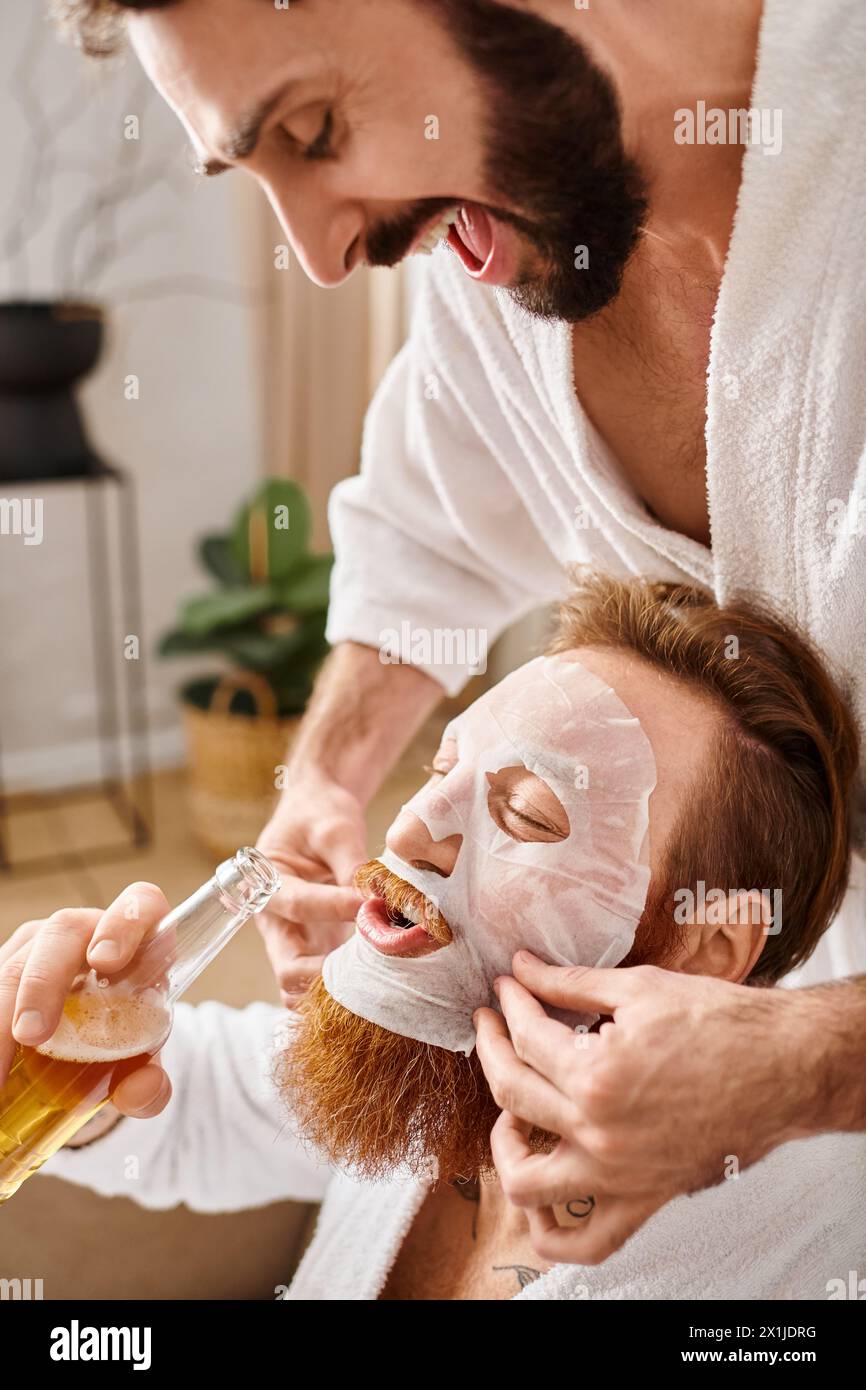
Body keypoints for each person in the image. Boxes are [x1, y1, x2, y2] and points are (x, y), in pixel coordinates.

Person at [50, 0, 866, 1256]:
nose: (320, 256)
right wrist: (324, 776)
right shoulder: (506, 231)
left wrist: (809, 1062)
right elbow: (424, 538)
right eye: (445, 770)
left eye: (317, 130)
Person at [6, 577, 864, 1299]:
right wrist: (69, 1040)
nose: (410, 829)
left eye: (529, 813)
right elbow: (214, 1098)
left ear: (706, 950)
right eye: (441, 771)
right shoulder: (437, 1058)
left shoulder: (807, 1247)